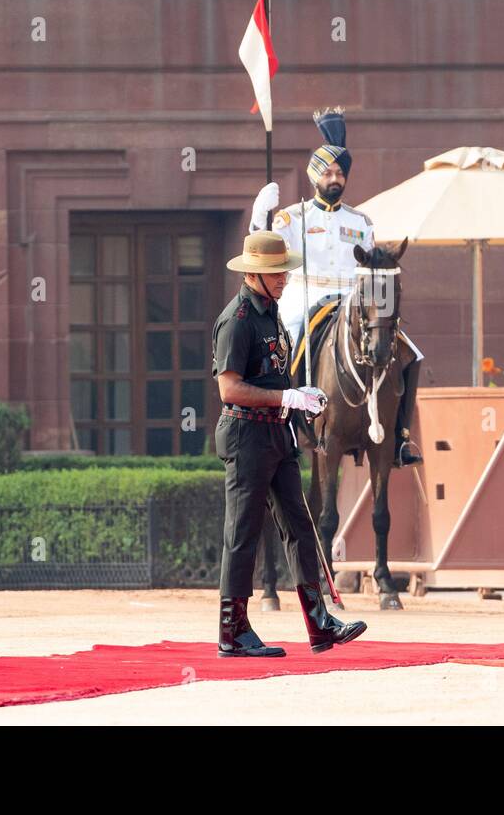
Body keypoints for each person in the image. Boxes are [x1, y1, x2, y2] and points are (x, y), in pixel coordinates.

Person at [211, 230, 368, 657]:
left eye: (283, 270)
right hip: (246, 436)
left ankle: (318, 623)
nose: (284, 278)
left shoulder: (272, 312)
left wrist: (301, 395)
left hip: (277, 433)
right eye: (275, 272)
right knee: (242, 533)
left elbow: (272, 375)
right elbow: (230, 389)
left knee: (300, 528)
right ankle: (233, 630)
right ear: (254, 275)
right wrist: (286, 397)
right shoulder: (238, 320)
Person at [248, 107, 423, 467]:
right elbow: (261, 248)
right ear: (315, 177)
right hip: (305, 296)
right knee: (285, 345)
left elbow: (375, 271)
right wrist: (258, 215)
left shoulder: (361, 221)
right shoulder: (293, 217)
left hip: (352, 300)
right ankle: (285, 428)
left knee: (409, 353)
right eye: (327, 172)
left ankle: (399, 438)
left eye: (340, 173)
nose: (335, 178)